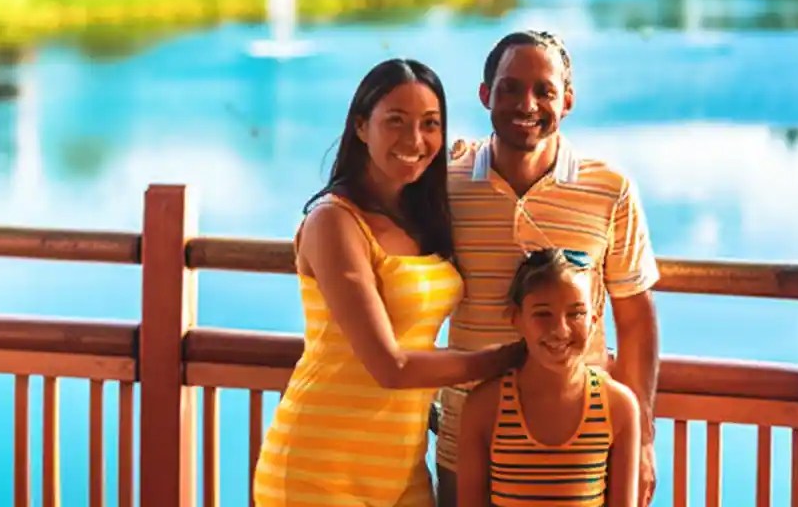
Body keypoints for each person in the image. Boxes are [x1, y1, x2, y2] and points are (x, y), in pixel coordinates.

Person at [252, 58, 524, 507]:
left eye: (430, 124)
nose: (415, 140)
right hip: (318, 470)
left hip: (402, 469)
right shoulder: (334, 222)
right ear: (362, 126)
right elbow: (389, 366)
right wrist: (507, 358)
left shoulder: (424, 215)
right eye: (395, 121)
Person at [436, 30, 661, 507]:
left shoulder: (610, 189)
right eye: (510, 87)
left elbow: (636, 319)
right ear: (485, 95)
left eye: (545, 90)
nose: (527, 104)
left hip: (583, 446)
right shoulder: (444, 185)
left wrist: (641, 440)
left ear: (569, 100)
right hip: (467, 432)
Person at [457, 248, 639, 507]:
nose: (560, 330)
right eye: (542, 314)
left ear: (594, 320)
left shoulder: (618, 407)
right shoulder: (484, 407)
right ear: (516, 319)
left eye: (576, 313)